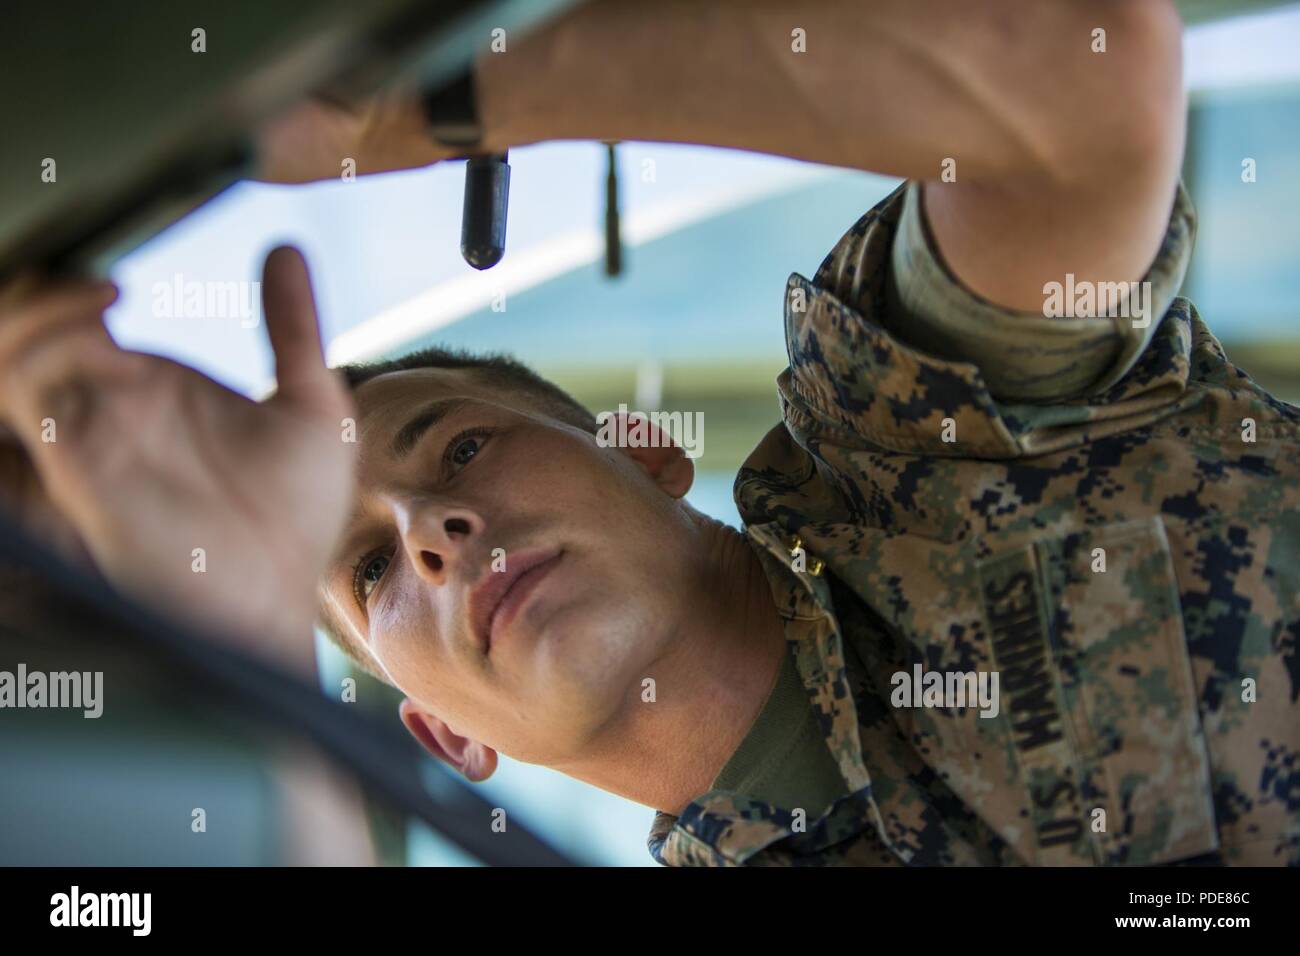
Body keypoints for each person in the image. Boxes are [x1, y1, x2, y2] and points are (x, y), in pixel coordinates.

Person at [2, 0, 1297, 866]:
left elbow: (1079, 64)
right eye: (370, 571)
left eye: (459, 448)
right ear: (449, 740)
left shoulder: (936, 443)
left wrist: (419, 112)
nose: (434, 536)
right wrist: (238, 638)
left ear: (645, 449)